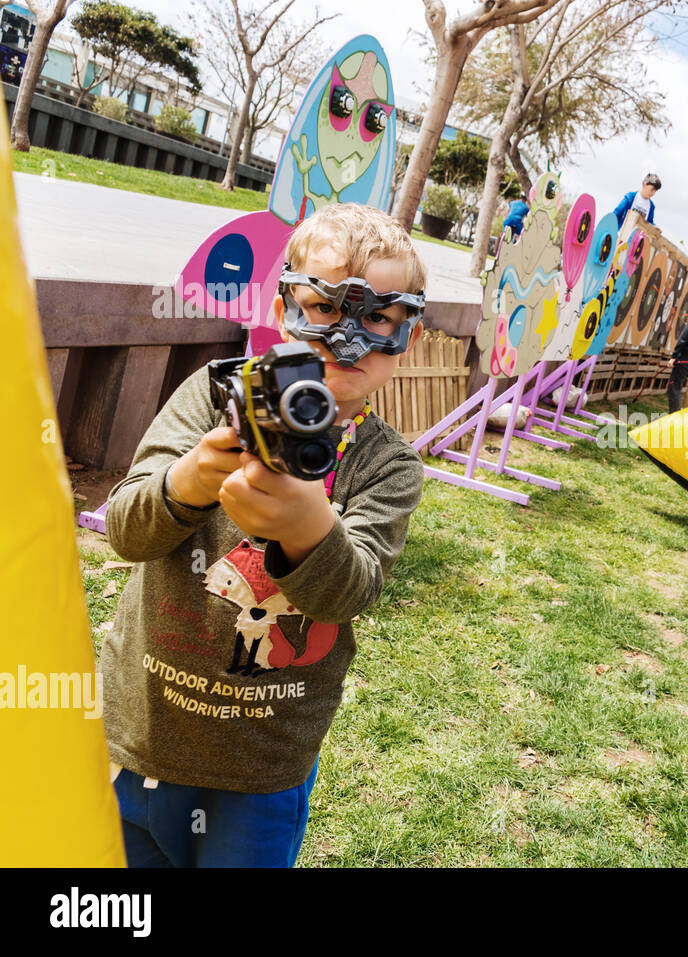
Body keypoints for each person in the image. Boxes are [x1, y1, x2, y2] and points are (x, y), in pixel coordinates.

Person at [101, 203, 429, 867]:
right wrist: (190, 480)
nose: (346, 340)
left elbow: (349, 591)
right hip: (137, 738)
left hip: (260, 769)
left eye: (377, 319)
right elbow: (124, 528)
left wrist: (310, 528)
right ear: (285, 310)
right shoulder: (210, 395)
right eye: (325, 309)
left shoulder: (386, 464)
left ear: (409, 339)